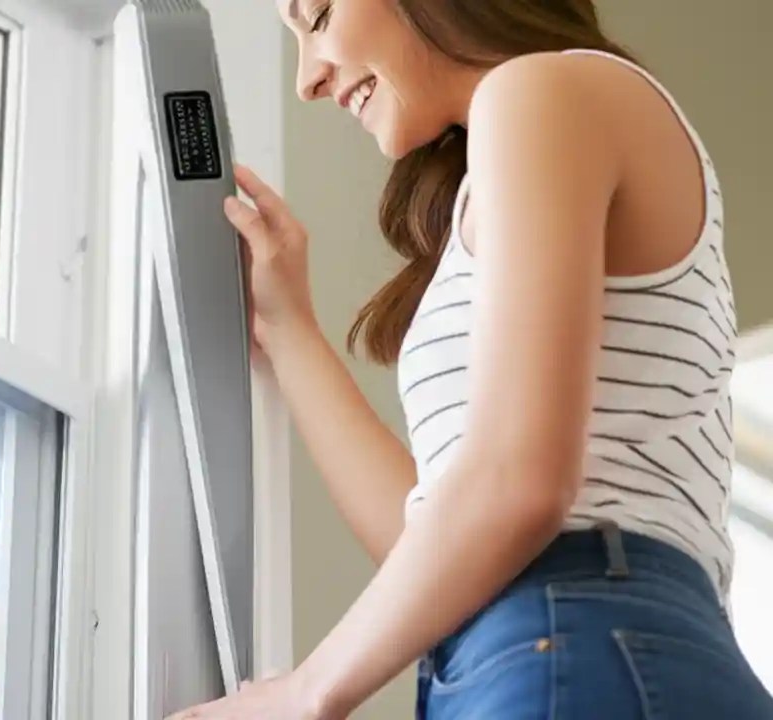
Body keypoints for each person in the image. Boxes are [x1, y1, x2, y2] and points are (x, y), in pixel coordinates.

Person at [169, 0, 773, 718]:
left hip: (574, 642)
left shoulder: (543, 92)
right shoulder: (548, 116)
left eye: (320, 15)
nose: (307, 78)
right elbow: (443, 536)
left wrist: (306, 693)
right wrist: (289, 329)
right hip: (591, 650)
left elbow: (518, 484)